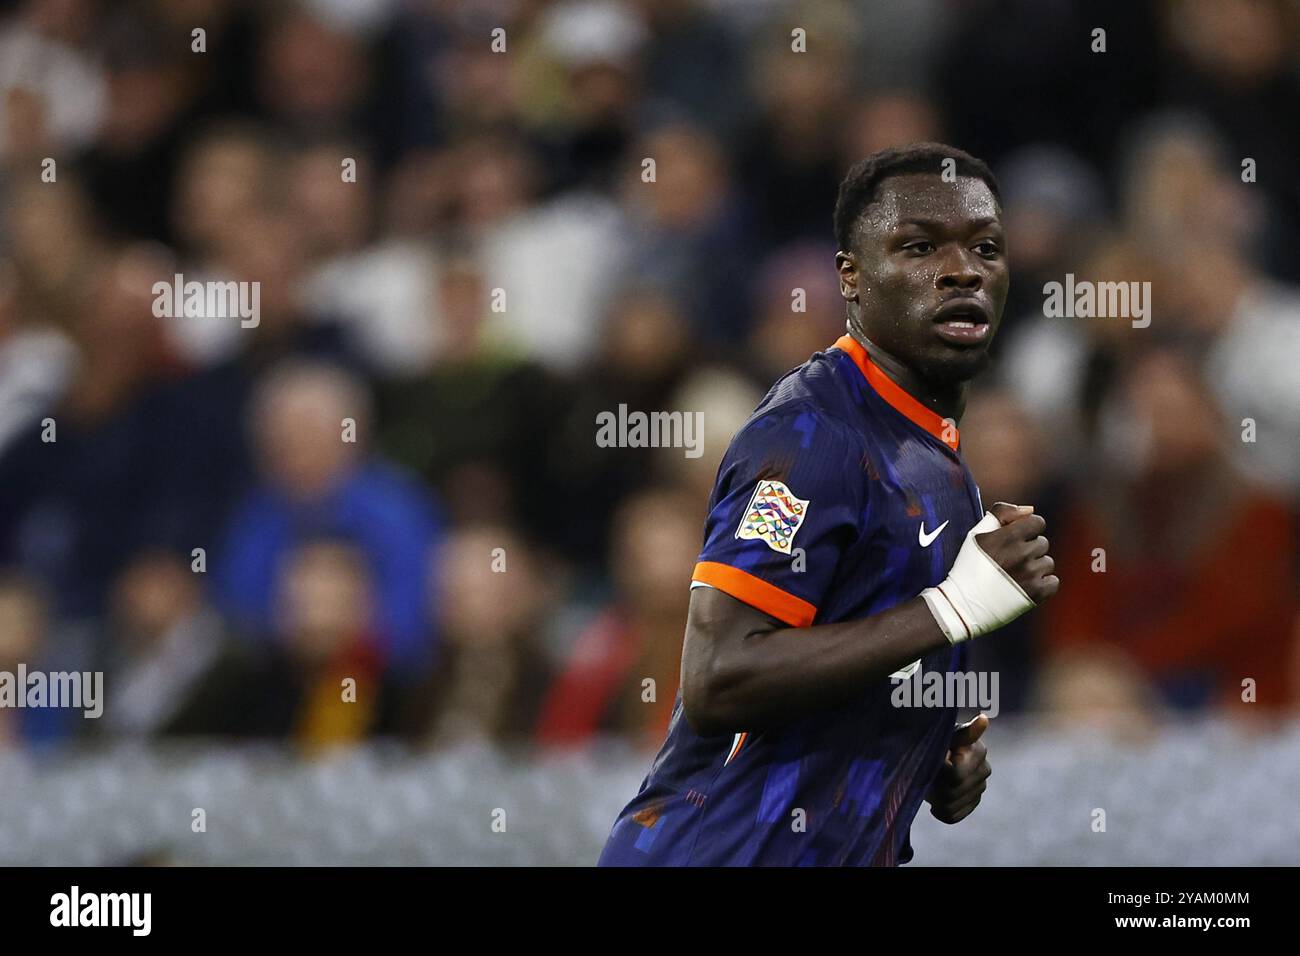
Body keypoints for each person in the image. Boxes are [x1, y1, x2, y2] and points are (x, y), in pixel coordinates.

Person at [598, 143, 1058, 867]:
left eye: (986, 247)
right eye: (919, 247)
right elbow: (721, 674)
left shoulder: (939, 462)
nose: (962, 269)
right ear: (852, 277)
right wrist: (953, 610)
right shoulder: (811, 437)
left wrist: (932, 752)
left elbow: (859, 660)